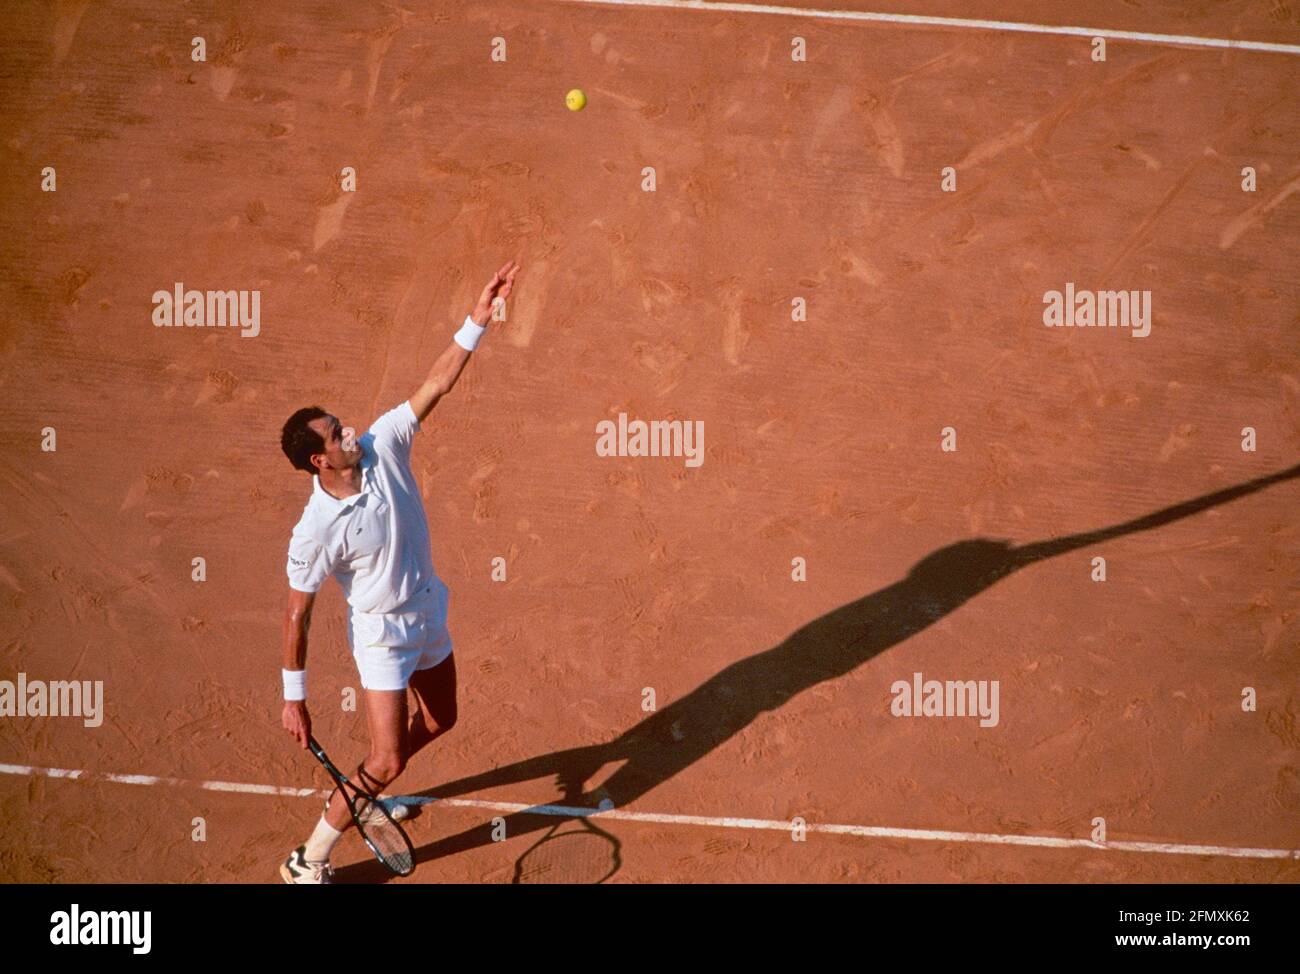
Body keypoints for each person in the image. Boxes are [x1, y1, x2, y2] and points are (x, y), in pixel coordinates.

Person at [275, 260, 520, 883]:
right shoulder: (315, 531)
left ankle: (363, 792)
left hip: (428, 609)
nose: (349, 431)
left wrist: (477, 320)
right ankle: (309, 859)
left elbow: (435, 385)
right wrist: (294, 699)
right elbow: (296, 613)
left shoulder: (383, 445)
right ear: (317, 460)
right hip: (382, 637)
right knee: (387, 759)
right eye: (335, 434)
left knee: (441, 719)